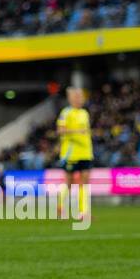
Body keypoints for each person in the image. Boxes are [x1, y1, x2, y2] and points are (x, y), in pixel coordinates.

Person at [56, 87, 93, 219]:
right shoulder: (66, 113)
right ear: (70, 99)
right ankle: (60, 205)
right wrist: (76, 132)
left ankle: (83, 212)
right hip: (71, 153)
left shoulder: (84, 113)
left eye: (81, 97)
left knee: (85, 180)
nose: (79, 99)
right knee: (69, 181)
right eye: (76, 97)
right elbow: (60, 131)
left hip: (86, 152)